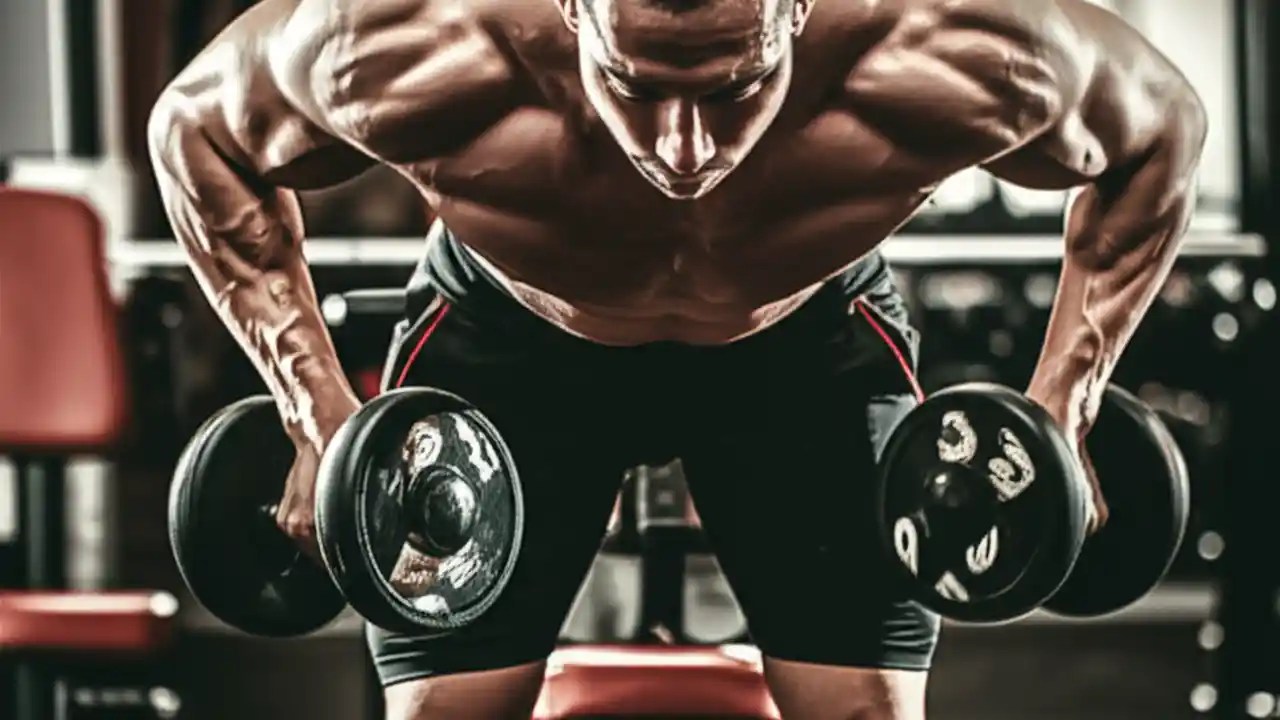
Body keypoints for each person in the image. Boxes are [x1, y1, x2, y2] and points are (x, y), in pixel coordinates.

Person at [147, 0, 1206, 716]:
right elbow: (195, 130)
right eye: (636, 86)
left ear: (796, 10)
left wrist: (1065, 403)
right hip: (513, 341)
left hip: (802, 345)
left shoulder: (948, 46)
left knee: (868, 710)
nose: (682, 148)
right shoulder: (413, 39)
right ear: (574, 10)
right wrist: (316, 414)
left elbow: (1160, 127)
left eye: (735, 87)